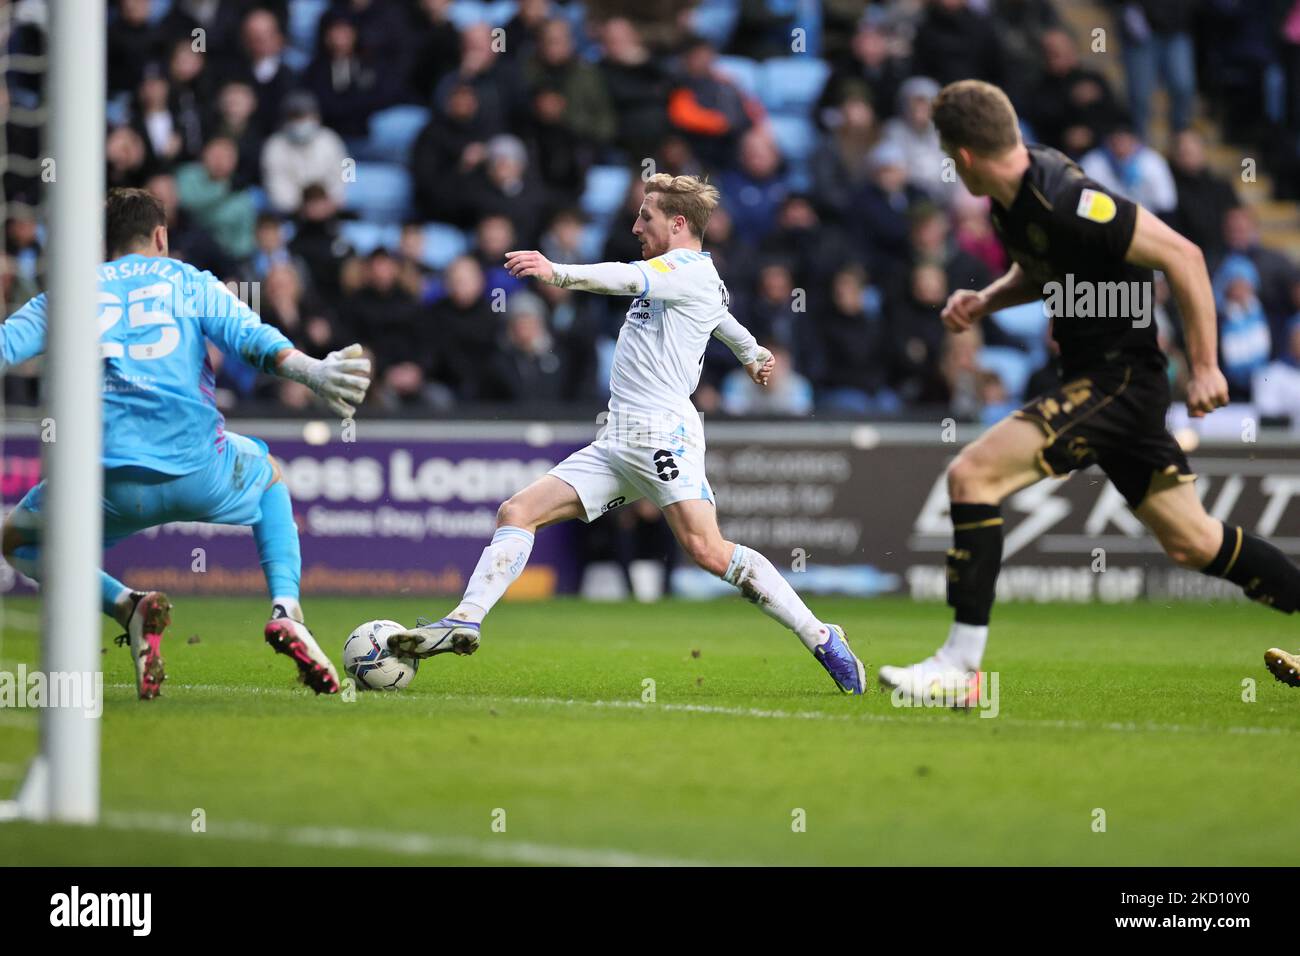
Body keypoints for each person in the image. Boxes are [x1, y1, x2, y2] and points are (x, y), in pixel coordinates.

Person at [878, 80, 1300, 699]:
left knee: (973, 476)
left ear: (962, 157)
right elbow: (1044, 266)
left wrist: (1207, 366)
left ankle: (961, 669)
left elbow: (1183, 256)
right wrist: (986, 299)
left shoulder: (1070, 199)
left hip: (1117, 380)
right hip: (1103, 383)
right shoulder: (1015, 200)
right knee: (1194, 542)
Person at [387, 174, 868, 694]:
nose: (636, 226)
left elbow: (622, 278)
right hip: (619, 438)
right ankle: (464, 620)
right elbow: (721, 319)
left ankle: (822, 637)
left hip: (662, 432)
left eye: (646, 217)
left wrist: (556, 271)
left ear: (678, 224)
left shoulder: (682, 269)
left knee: (707, 550)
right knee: (517, 511)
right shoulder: (695, 277)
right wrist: (751, 352)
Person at [0, 188, 372, 699]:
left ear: (104, 243)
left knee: (17, 542)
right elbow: (251, 339)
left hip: (103, 484)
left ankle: (125, 604)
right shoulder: (188, 280)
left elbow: (6, 346)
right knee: (269, 479)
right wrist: (313, 372)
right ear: (161, 236)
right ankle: (286, 611)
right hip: (198, 470)